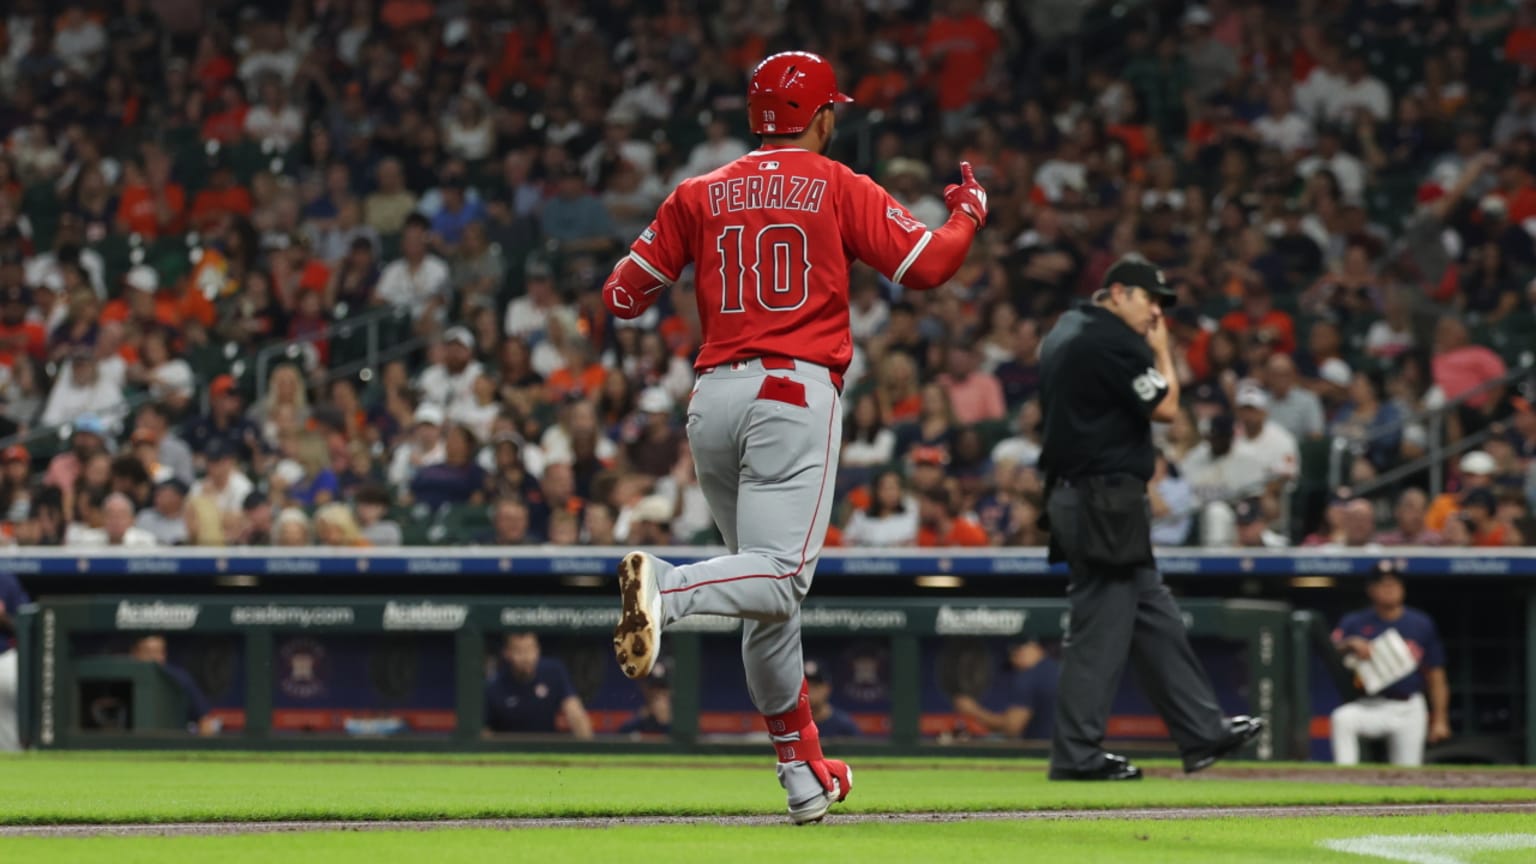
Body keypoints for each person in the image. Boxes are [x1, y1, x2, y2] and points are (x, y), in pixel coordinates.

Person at [601, 51, 985, 824]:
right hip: (791, 392)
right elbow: (932, 266)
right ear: (820, 116)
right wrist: (970, 208)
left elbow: (620, 294)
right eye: (831, 109)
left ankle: (802, 774)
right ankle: (667, 590)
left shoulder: (698, 190)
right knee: (778, 577)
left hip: (711, 400)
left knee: (768, 601)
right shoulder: (837, 182)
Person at [1037, 254, 1263, 782]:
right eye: (1149, 300)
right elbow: (1165, 408)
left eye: (1162, 305)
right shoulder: (1110, 338)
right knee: (1100, 628)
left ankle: (1200, 730)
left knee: (1152, 612)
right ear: (1117, 293)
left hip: (1086, 496)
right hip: (1102, 501)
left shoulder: (1067, 327)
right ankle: (1077, 755)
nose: (1156, 313)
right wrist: (1162, 350)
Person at [1330, 562, 1451, 766]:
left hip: (1409, 706)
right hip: (1371, 704)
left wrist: (1440, 719)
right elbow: (1331, 647)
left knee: (1408, 772)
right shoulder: (1356, 621)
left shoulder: (1420, 623)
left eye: (1394, 584)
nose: (1389, 588)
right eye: (1383, 584)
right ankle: (1345, 778)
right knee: (1343, 719)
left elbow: (1436, 675)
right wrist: (1350, 644)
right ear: (1371, 590)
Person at [484, 633, 593, 739]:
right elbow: (484, 732)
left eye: (530, 649)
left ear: (538, 649)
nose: (526, 658)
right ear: (507, 653)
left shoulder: (554, 671)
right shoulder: (494, 686)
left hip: (548, 750)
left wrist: (589, 750)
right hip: (508, 753)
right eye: (519, 651)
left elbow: (575, 713)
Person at [952, 638, 1059, 741]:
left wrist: (974, 711)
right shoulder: (1061, 669)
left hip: (1042, 753)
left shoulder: (1029, 677)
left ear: (1019, 652)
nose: (1014, 665)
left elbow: (1012, 727)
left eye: (1013, 657)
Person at [128, 635, 217, 736]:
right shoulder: (124, 679)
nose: (153, 658)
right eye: (147, 652)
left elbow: (206, 721)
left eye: (158, 652)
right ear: (135, 653)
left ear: (164, 655)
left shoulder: (180, 679)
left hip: (173, 744)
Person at [0, 571, 30, 750]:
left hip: (4, 656)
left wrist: (3, 618)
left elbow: (25, 624)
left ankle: (11, 754)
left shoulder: (5, 581)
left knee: (7, 678)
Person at [803, 659, 860, 738]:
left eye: (815, 686)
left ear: (827, 688)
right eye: (805, 686)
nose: (810, 691)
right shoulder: (792, 725)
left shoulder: (844, 726)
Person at [617, 658, 672, 735]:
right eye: (653, 690)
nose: (658, 696)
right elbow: (621, 734)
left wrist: (668, 722)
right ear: (646, 689)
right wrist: (642, 718)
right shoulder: (639, 722)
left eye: (663, 690)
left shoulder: (680, 722)